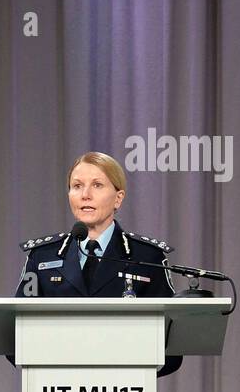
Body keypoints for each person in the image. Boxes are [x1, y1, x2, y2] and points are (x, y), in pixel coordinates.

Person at [14, 151, 182, 377]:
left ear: (118, 198)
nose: (85, 195)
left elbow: (171, 342)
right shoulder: (42, 256)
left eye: (97, 185)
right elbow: (18, 333)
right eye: (77, 186)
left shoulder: (147, 257)